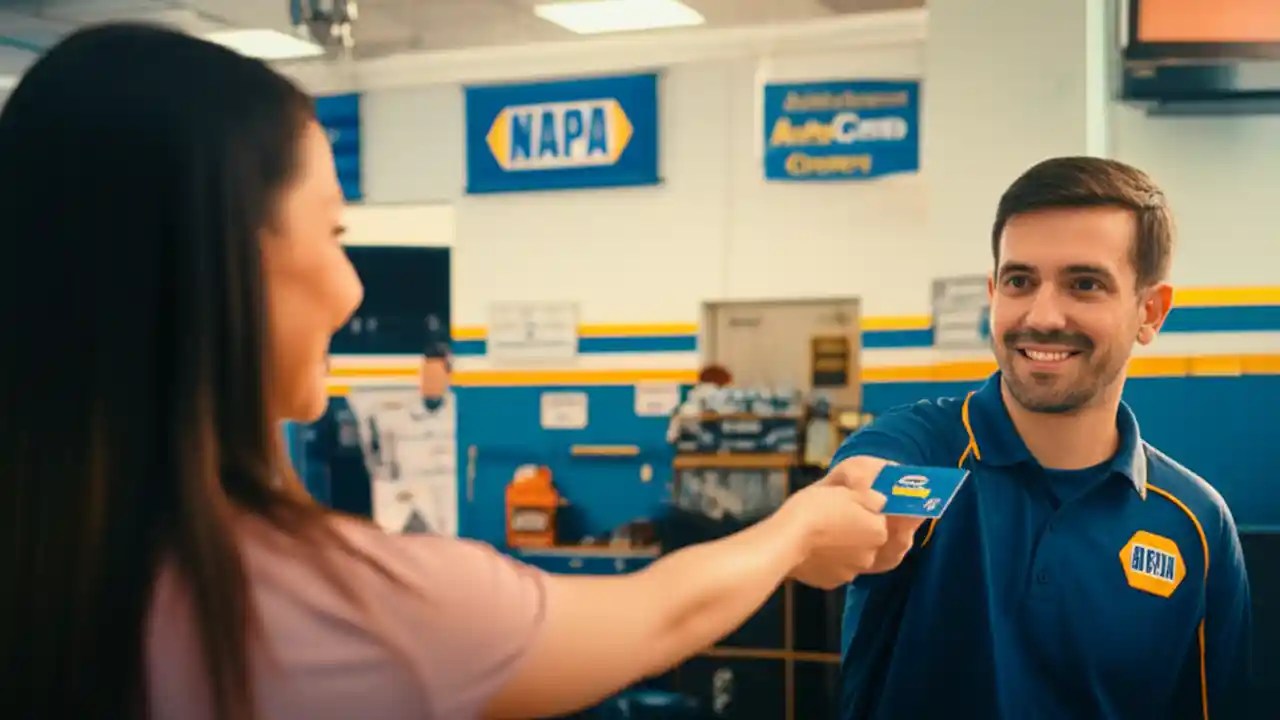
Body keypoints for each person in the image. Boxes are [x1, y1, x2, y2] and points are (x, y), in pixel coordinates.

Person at [0, 23, 910, 720]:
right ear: (223, 265)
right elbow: (653, 619)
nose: (353, 287)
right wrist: (796, 532)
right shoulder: (335, 603)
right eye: (334, 232)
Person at [814, 157, 1254, 719]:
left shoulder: (1196, 524)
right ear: (994, 291)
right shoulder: (926, 445)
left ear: (1150, 310)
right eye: (1021, 281)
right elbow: (863, 480)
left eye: (1085, 284)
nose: (1043, 316)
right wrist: (843, 512)